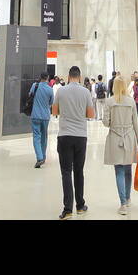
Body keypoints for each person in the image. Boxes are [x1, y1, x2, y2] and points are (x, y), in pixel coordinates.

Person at [52, 65, 95, 219]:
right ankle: (81, 205)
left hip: (64, 135)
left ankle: (68, 209)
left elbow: (54, 112)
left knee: (66, 172)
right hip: (81, 136)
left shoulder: (60, 91)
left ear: (68, 76)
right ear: (80, 76)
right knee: (79, 171)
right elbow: (90, 114)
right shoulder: (85, 91)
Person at [102, 75, 138, 215]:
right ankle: (128, 197)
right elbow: (136, 123)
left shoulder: (109, 102)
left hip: (115, 137)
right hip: (129, 137)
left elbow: (106, 122)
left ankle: (123, 203)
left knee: (118, 170)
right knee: (127, 169)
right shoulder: (130, 102)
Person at [28, 74, 54, 168]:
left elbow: (30, 95)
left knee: (36, 137)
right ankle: (43, 157)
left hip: (35, 115)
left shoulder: (35, 86)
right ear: (47, 78)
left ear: (40, 78)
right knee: (44, 137)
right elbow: (51, 102)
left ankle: (39, 157)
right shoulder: (50, 89)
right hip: (45, 116)